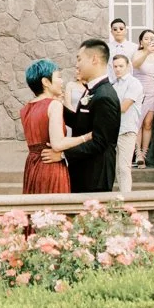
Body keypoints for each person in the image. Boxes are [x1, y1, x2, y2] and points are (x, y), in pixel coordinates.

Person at [66, 39, 122, 195]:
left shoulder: (105, 95)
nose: (76, 65)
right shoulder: (92, 90)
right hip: (83, 171)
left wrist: (63, 153)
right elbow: (79, 123)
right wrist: (55, 105)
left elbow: (100, 142)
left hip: (95, 176)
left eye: (79, 59)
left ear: (95, 59)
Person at [21, 59, 80, 195]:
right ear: (46, 82)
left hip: (32, 165)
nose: (62, 81)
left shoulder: (26, 109)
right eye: (58, 77)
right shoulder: (54, 105)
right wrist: (86, 137)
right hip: (51, 166)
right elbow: (57, 143)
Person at [131, 28, 154, 166]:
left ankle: (144, 153)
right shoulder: (138, 53)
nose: (150, 40)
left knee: (148, 123)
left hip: (153, 91)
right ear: (141, 42)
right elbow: (135, 64)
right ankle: (137, 154)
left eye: (152, 38)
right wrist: (147, 51)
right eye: (146, 38)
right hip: (139, 91)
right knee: (138, 123)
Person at [109, 51, 142, 194]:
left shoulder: (134, 83)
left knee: (124, 167)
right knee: (116, 168)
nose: (118, 69)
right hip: (114, 130)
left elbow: (124, 107)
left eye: (121, 66)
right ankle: (122, 199)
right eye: (115, 66)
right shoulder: (113, 85)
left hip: (127, 130)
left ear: (128, 66)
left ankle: (127, 200)